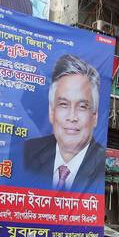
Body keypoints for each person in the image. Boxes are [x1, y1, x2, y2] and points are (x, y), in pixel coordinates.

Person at [19, 54, 105, 192]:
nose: (72, 117)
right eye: (63, 104)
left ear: (94, 116)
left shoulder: (103, 166)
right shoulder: (27, 154)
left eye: (82, 106)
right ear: (51, 112)